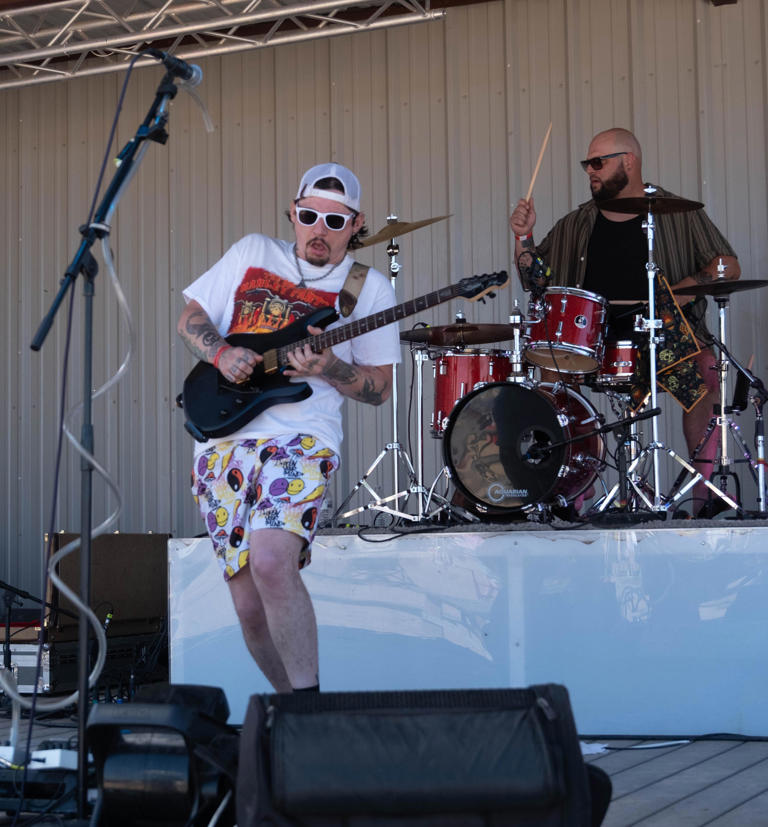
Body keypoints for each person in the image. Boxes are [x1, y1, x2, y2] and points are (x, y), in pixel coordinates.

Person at [177, 163, 401, 692]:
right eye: (308, 216)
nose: (319, 229)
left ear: (356, 223)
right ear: (293, 214)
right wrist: (222, 352)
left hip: (302, 436)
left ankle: (310, 710)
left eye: (334, 219)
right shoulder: (253, 251)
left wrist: (332, 369)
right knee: (247, 602)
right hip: (224, 435)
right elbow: (191, 319)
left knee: (273, 562)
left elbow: (379, 387)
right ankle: (291, 710)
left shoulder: (368, 290)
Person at [509, 128, 740, 515]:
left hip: (664, 332)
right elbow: (537, 280)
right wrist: (523, 237)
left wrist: (673, 297)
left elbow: (727, 265)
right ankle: (567, 495)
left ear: (628, 161)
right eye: (587, 164)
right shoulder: (577, 222)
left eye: (598, 162)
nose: (590, 171)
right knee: (552, 384)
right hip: (596, 338)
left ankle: (705, 497)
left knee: (703, 371)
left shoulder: (677, 213)